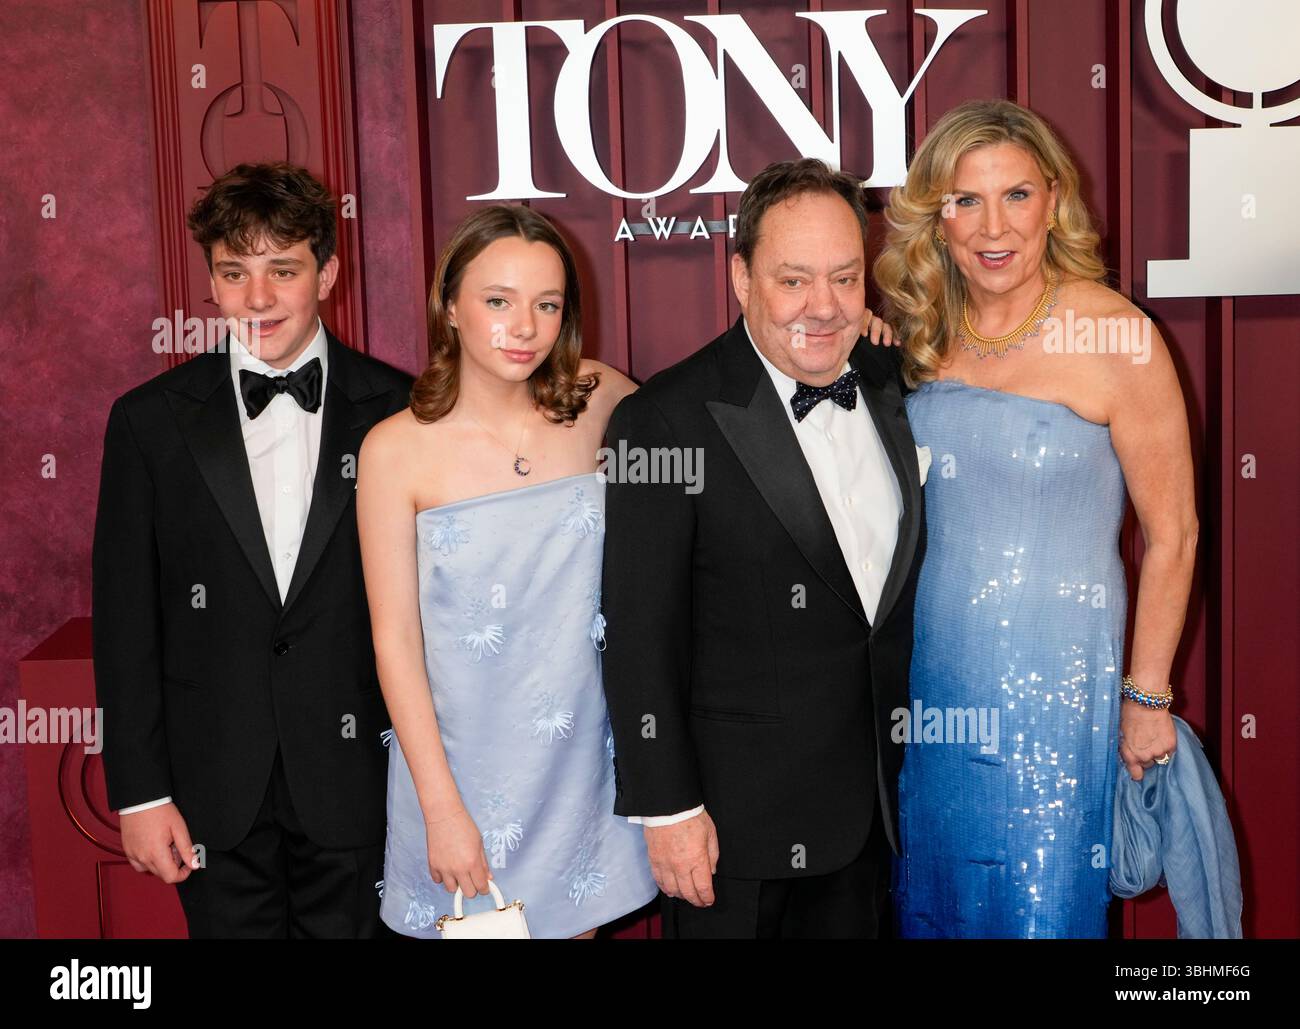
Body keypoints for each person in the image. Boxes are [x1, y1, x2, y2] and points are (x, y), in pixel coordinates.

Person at [872, 99, 1197, 937]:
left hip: (1058, 692)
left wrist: (1147, 695)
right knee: (935, 905)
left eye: (1016, 195)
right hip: (932, 687)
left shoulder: (1116, 336)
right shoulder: (917, 336)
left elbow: (1175, 535)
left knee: (1040, 906)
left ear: (1054, 199)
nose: (994, 226)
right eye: (965, 200)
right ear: (935, 219)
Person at [600, 158, 927, 938]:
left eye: (845, 279)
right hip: (733, 834)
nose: (823, 306)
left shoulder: (896, 381)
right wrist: (669, 807)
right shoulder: (665, 421)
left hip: (875, 819)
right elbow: (638, 634)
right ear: (741, 277)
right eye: (794, 281)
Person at [92, 162, 414, 937]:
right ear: (210, 278)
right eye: (234, 273)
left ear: (328, 272)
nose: (259, 298)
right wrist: (139, 793)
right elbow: (125, 622)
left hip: (362, 785)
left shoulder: (404, 409)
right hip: (211, 795)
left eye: (283, 270)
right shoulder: (149, 422)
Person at [357, 204, 658, 939]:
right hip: (462, 772)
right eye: (498, 300)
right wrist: (441, 808)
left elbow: (716, 407)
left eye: (546, 304)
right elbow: (394, 642)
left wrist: (850, 342)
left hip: (580, 767)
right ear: (450, 305)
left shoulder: (599, 400)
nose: (524, 326)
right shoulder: (394, 450)